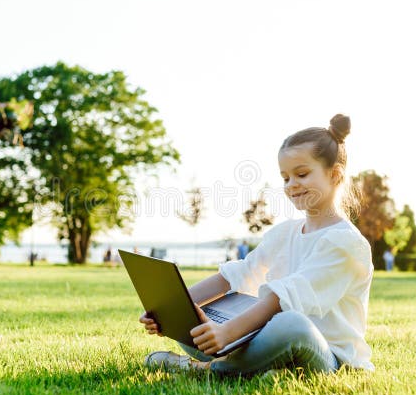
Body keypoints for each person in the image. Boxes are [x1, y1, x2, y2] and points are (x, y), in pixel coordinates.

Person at [140, 114, 375, 377]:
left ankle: (203, 369)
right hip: (273, 342)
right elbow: (238, 274)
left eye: (302, 174)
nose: (292, 185)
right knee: (195, 320)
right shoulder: (284, 233)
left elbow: (282, 298)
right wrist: (172, 308)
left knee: (290, 323)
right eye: (285, 178)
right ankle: (263, 367)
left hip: (331, 358)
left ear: (335, 175)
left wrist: (227, 332)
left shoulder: (346, 242)